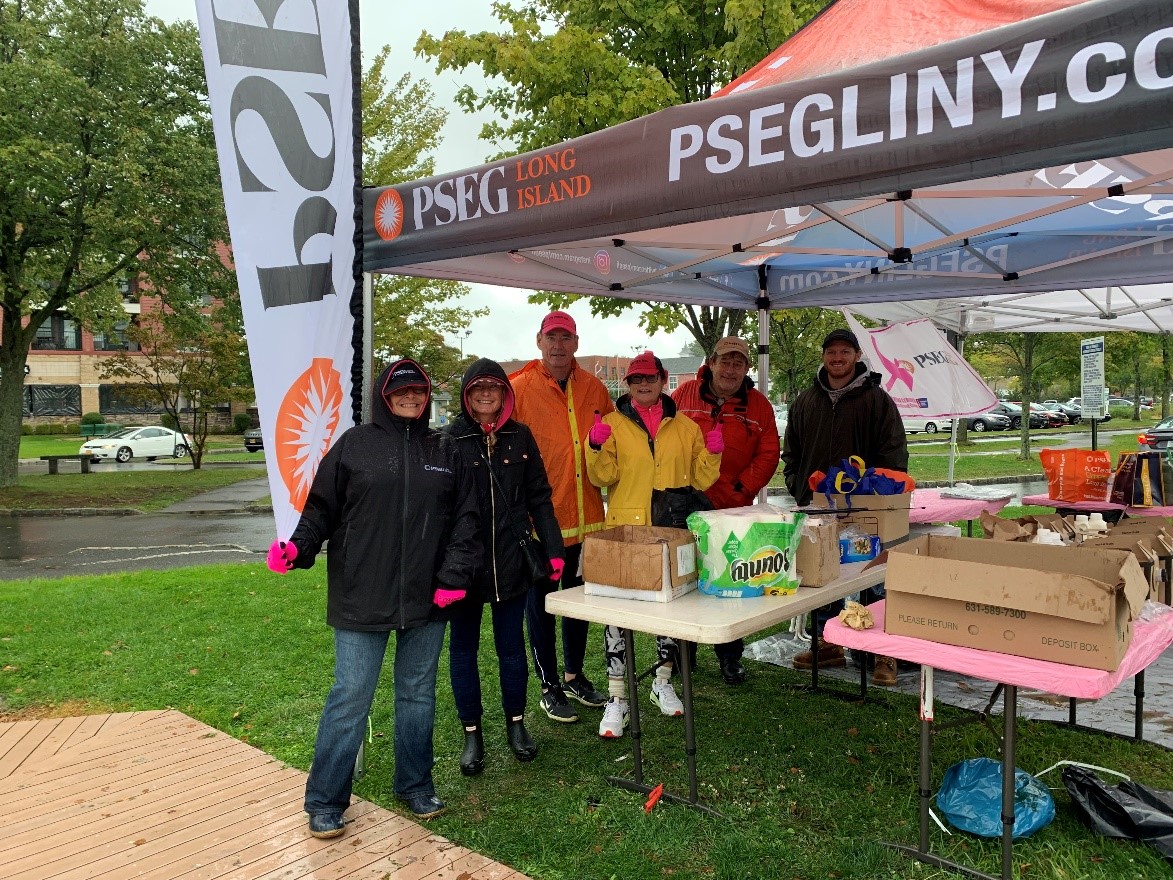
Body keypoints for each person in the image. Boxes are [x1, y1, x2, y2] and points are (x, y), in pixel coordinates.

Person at [267, 358, 480, 838]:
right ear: (384, 396)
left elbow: (465, 522)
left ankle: (415, 783)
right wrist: (298, 548)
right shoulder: (355, 445)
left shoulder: (444, 449)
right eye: (400, 392)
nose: (410, 398)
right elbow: (320, 508)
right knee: (351, 696)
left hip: (429, 598)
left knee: (417, 694)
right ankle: (325, 799)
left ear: (427, 397)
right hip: (361, 593)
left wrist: (454, 577)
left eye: (419, 391)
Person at [586, 351, 723, 738]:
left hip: (670, 529)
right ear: (627, 385)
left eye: (650, 378)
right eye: (635, 380)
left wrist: (713, 453)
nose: (643, 385)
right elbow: (602, 477)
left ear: (663, 380)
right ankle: (617, 698)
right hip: (626, 533)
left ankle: (662, 681)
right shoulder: (611, 424)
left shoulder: (686, 427)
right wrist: (595, 447)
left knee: (671, 614)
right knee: (616, 618)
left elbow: (702, 479)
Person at [445, 358, 565, 776]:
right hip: (464, 568)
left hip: (512, 564)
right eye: (477, 388)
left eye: (492, 388)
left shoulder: (521, 436)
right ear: (466, 394)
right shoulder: (449, 440)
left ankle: (516, 724)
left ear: (504, 394)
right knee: (463, 651)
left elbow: (540, 498)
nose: (485, 395)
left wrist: (553, 550)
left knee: (511, 649)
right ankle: (471, 731)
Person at [781, 329, 908, 687]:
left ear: (856, 356)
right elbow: (790, 453)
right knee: (821, 575)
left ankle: (881, 652)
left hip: (868, 507)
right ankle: (829, 645)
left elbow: (895, 454)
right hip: (818, 508)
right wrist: (799, 486)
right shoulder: (806, 401)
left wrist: (881, 495)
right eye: (831, 352)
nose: (837, 358)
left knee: (874, 576)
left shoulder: (878, 401)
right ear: (823, 357)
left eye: (844, 352)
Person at [511, 311, 613, 724]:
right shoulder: (519, 388)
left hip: (587, 518)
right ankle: (549, 683)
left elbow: (610, 442)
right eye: (551, 338)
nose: (558, 346)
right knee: (542, 607)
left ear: (576, 343)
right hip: (542, 523)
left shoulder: (594, 387)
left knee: (578, 603)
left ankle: (573, 674)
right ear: (539, 341)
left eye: (565, 338)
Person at [672, 336, 780, 685]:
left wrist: (742, 488)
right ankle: (681, 654)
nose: (731, 369)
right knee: (685, 580)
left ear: (746, 369)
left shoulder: (759, 406)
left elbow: (768, 453)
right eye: (725, 361)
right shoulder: (684, 394)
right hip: (686, 506)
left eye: (739, 363)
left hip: (731, 508)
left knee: (731, 579)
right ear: (712, 362)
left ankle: (730, 657)